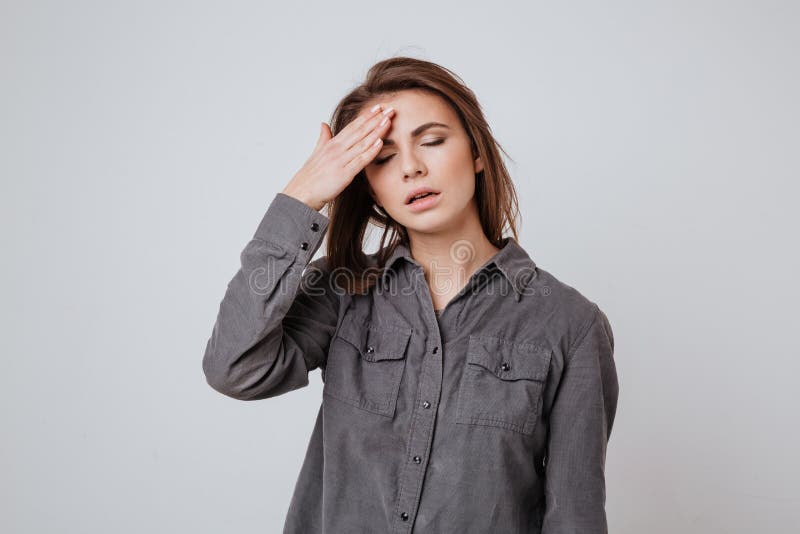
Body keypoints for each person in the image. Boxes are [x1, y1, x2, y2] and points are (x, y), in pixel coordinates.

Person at [202, 56, 619, 534]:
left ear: (477, 153)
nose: (412, 169)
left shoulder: (570, 325)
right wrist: (302, 199)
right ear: (370, 187)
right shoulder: (342, 292)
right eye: (382, 158)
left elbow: (575, 517)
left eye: (433, 141)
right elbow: (233, 368)